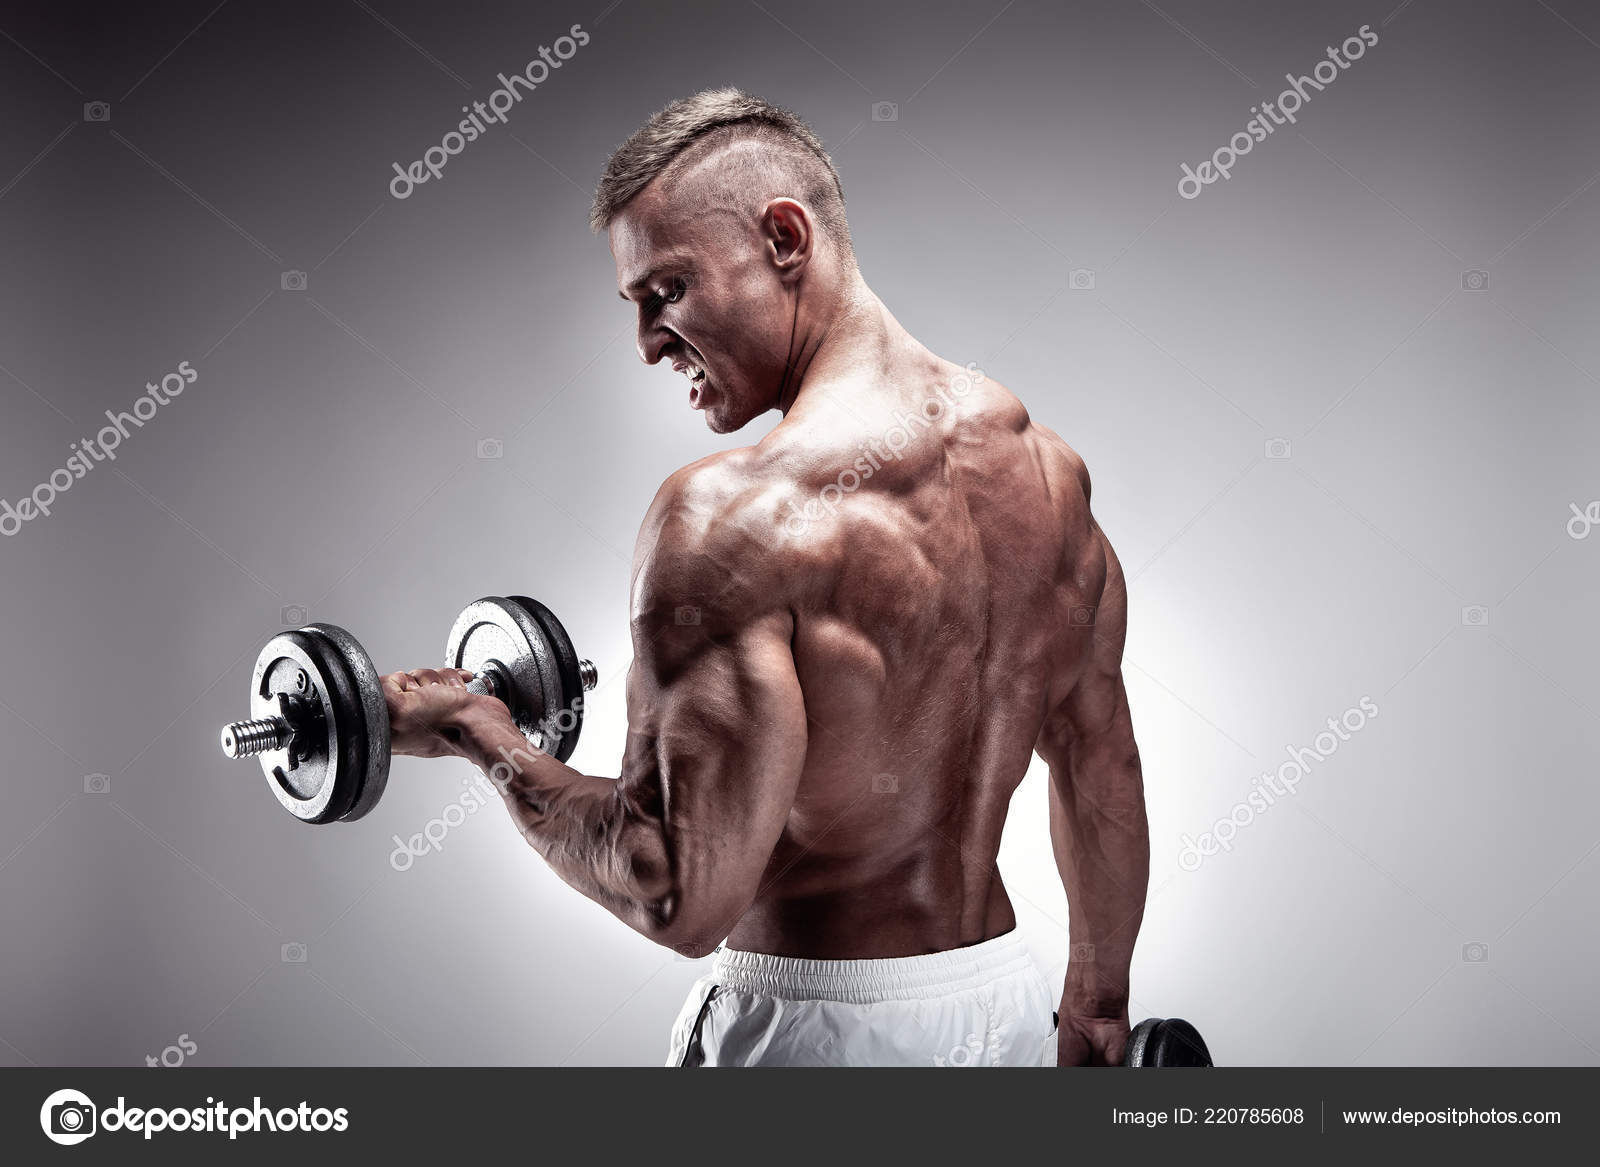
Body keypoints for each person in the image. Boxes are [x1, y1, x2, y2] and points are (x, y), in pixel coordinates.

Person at [381, 89, 1149, 1067]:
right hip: (1000, 1010)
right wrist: (1094, 1008)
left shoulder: (729, 517)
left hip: (810, 1035)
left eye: (666, 290)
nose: (648, 342)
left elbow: (675, 891)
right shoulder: (1048, 475)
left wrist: (477, 733)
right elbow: (1100, 763)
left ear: (784, 237)